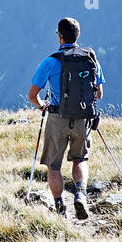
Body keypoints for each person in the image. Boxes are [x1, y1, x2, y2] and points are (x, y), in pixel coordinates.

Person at [29, 17, 104, 219]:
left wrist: (42, 104)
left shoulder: (50, 61)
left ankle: (60, 206)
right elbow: (99, 94)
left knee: (54, 165)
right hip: (83, 119)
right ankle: (80, 194)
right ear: (78, 35)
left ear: (59, 36)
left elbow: (32, 95)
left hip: (57, 117)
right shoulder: (91, 58)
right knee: (80, 159)